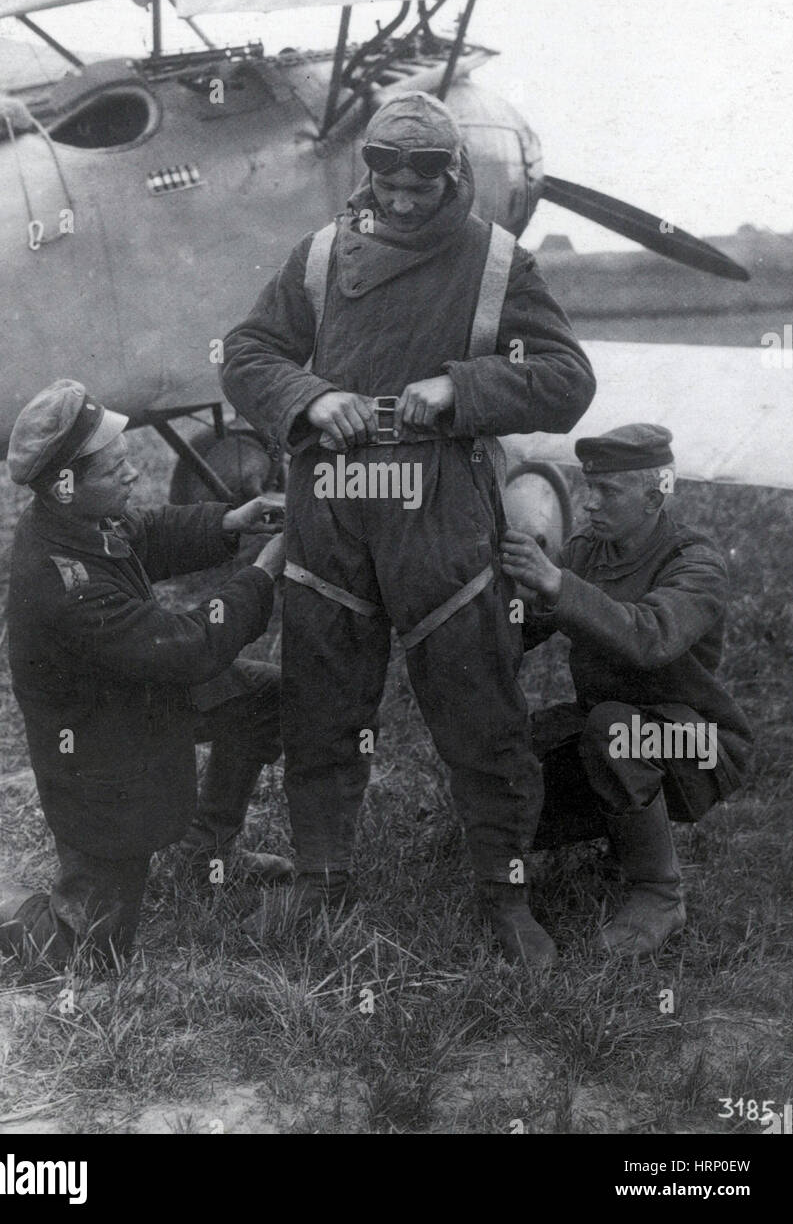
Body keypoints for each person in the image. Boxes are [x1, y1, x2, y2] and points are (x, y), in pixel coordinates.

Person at [218, 91, 596, 969]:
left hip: (441, 514)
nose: (399, 201)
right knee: (323, 701)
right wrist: (313, 397)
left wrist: (464, 389)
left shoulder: (498, 262)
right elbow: (247, 354)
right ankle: (322, 884)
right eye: (385, 182)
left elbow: (568, 378)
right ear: (370, 174)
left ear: (452, 176)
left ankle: (506, 898)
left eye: (419, 186)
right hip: (335, 508)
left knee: (481, 709)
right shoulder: (317, 256)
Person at [0, 379, 289, 969]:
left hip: (136, 699)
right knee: (88, 951)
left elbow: (145, 534)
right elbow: (191, 649)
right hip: (101, 763)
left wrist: (232, 521)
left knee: (263, 698)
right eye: (116, 471)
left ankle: (211, 853)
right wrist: (263, 573)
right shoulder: (63, 583)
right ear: (67, 484)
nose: (132, 476)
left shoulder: (77, 517)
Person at [501, 423, 753, 957]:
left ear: (654, 495)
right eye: (588, 488)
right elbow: (529, 623)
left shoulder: (696, 563)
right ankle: (622, 843)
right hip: (615, 731)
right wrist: (486, 610)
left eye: (608, 491)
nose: (589, 503)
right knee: (517, 754)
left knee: (614, 729)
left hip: (699, 745)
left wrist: (557, 584)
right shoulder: (590, 550)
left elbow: (651, 638)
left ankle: (660, 894)